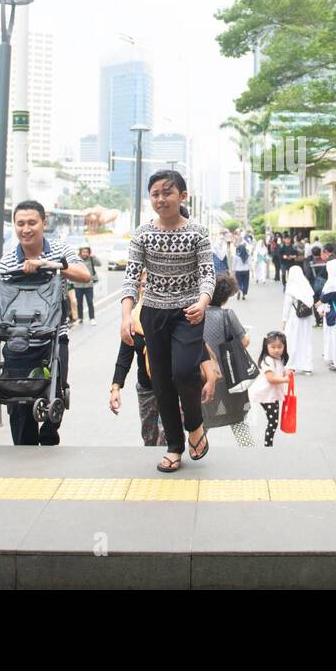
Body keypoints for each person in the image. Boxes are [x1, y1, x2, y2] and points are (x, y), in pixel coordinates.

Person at [120, 170, 216, 473]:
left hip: (188, 312)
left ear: (182, 196)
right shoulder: (142, 233)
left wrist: (202, 302)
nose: (161, 199)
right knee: (160, 381)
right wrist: (126, 316)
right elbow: (131, 276)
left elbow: (207, 274)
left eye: (167, 192)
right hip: (153, 313)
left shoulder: (198, 232)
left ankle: (195, 425)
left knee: (184, 370)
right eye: (155, 194)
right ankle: (175, 447)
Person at [0, 200, 90, 446]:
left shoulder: (59, 250)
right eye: (20, 224)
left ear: (43, 224)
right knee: (18, 401)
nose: (26, 229)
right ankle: (25, 452)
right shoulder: (7, 261)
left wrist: (48, 264)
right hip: (20, 337)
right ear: (14, 226)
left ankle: (50, 433)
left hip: (55, 336)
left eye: (32, 223)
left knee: (57, 389)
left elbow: (84, 274)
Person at [110, 270, 165, 446]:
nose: (147, 288)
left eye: (153, 283)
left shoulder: (171, 315)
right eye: (143, 284)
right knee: (149, 438)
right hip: (146, 388)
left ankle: (170, 464)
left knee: (167, 436)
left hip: (172, 387)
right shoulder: (132, 320)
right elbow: (124, 357)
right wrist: (116, 388)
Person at [202, 274, 254, 446]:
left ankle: (195, 450)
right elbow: (244, 341)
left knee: (201, 423)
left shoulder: (196, 314)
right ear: (226, 297)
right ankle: (249, 453)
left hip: (203, 376)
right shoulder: (227, 315)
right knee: (237, 421)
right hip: (229, 378)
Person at [247, 332, 292, 446]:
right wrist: (285, 380)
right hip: (265, 395)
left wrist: (286, 372)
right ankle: (268, 444)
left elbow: (280, 370)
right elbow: (271, 378)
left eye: (280, 347)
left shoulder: (278, 359)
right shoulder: (268, 360)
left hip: (271, 394)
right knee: (273, 421)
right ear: (266, 347)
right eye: (273, 347)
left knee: (273, 421)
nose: (276, 350)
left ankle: (268, 443)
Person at [281, 264, 317, 375]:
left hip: (294, 318)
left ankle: (291, 365)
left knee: (292, 341)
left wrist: (284, 320)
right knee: (306, 341)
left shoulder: (291, 287)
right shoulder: (306, 285)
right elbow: (311, 301)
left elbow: (287, 306)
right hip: (305, 319)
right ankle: (307, 366)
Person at [73, 245, 100, 326]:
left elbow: (99, 264)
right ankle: (80, 318)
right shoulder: (76, 260)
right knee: (79, 303)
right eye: (83, 252)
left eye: (86, 252)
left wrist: (93, 256)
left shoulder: (91, 259)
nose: (85, 254)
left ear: (89, 253)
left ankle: (92, 318)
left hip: (89, 285)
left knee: (90, 302)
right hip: (78, 285)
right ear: (80, 253)